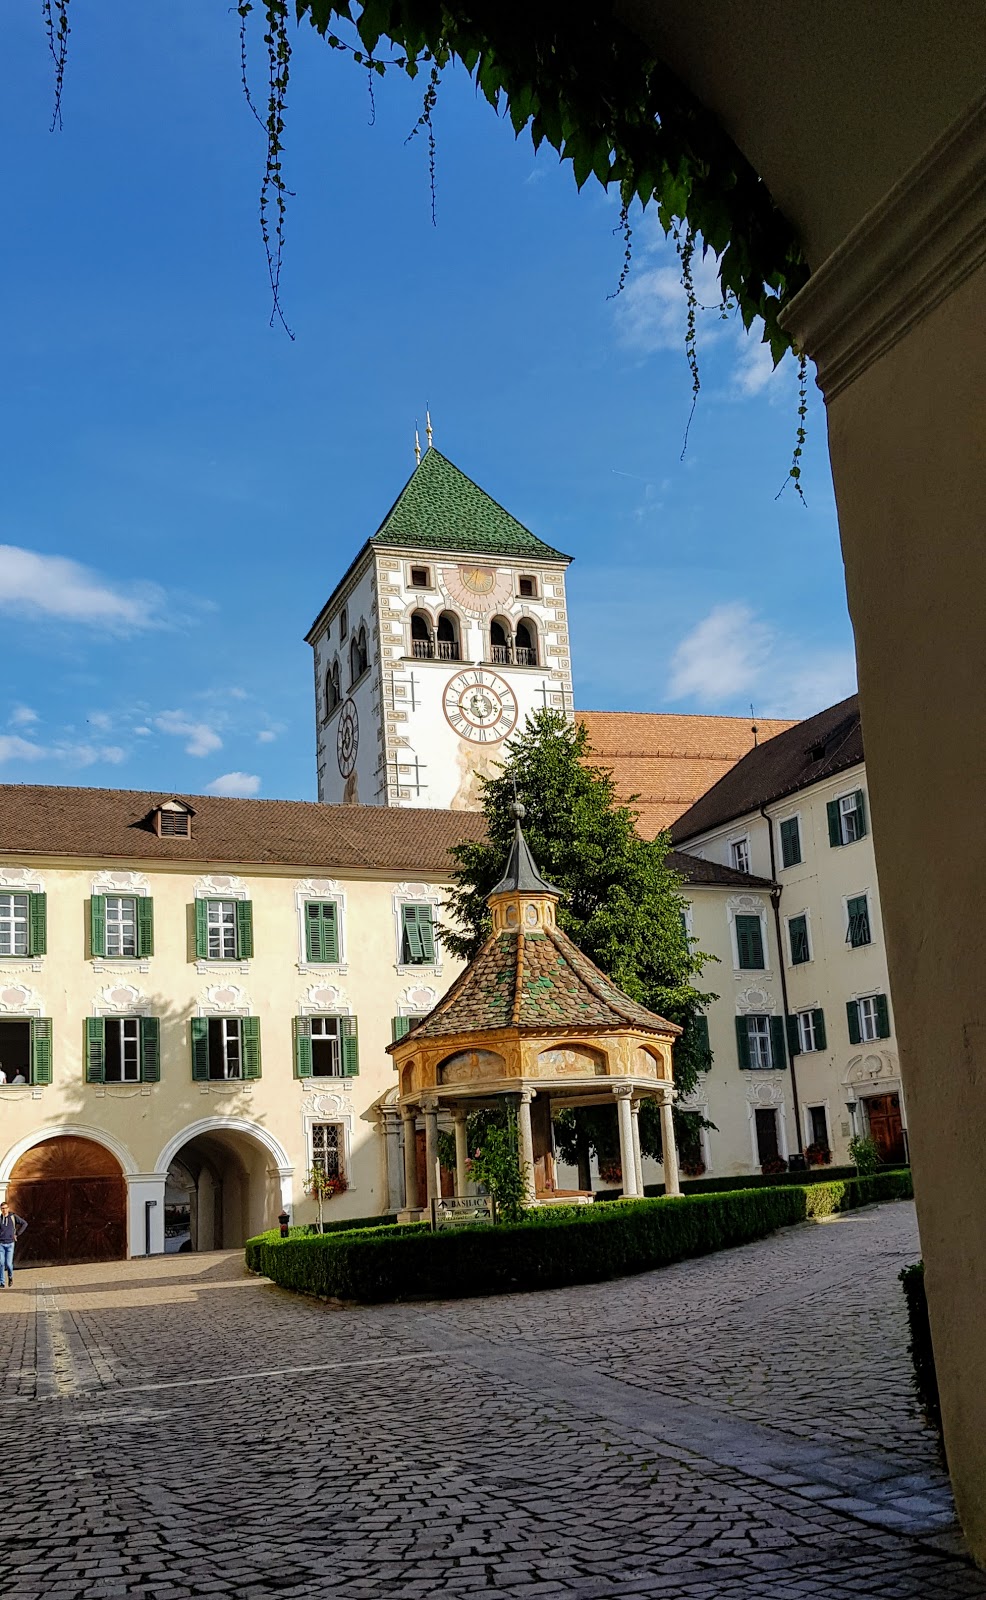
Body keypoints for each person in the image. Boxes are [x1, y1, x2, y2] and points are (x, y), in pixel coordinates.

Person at [0, 1202, 27, 1288]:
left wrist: (17, 1234)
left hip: (10, 1243)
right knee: (1, 1263)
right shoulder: (0, 1219)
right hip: (1, 1244)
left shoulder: (13, 1217)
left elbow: (24, 1223)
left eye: (5, 1208)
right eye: (2, 1208)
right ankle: (2, 1281)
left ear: (8, 1208)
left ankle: (10, 1277)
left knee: (8, 1264)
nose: (4, 1210)